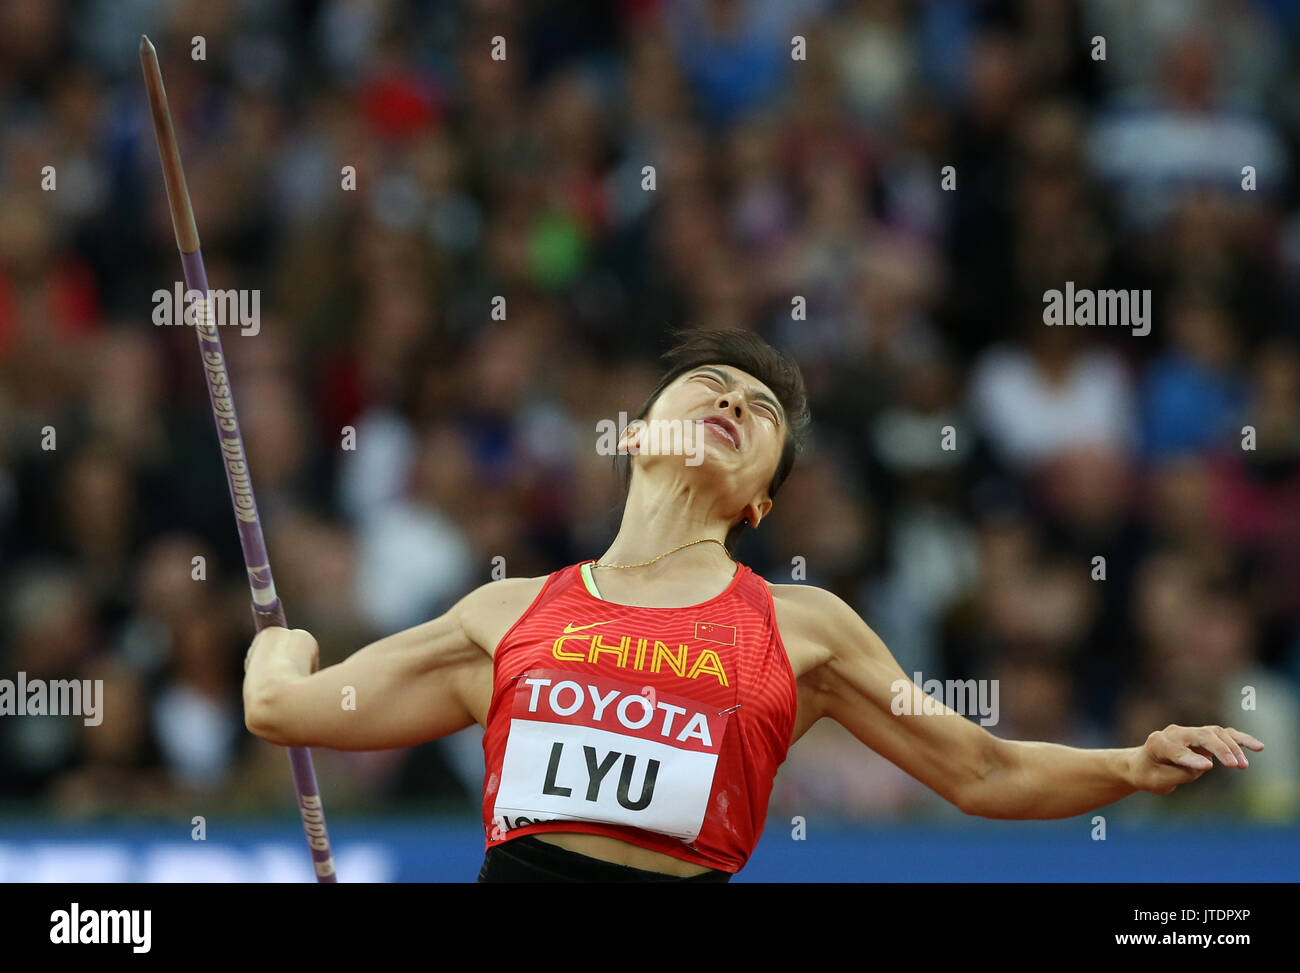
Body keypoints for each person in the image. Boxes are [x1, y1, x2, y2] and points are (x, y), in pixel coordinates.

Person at [242, 328, 1264, 882]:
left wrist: (1128, 765)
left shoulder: (799, 626)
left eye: (759, 409)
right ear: (638, 435)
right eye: (713, 389)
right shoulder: (505, 612)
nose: (733, 404)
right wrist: (282, 647)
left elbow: (981, 769)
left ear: (764, 496)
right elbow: (289, 711)